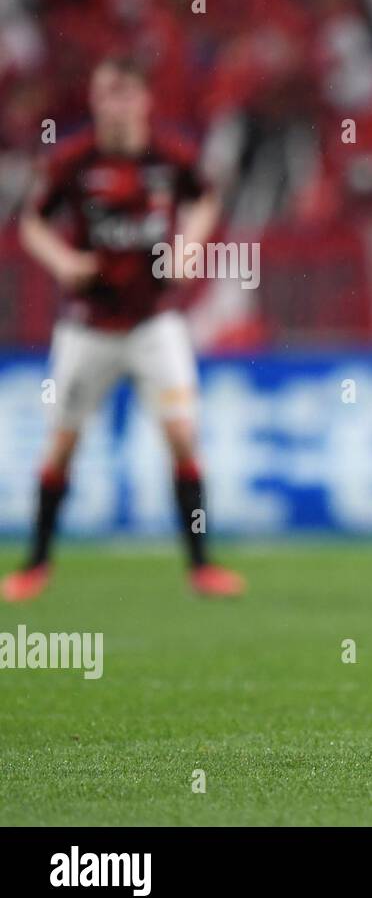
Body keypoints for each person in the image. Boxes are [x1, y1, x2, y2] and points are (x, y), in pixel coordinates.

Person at [2, 56, 244, 603]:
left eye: (125, 94)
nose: (115, 105)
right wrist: (62, 260)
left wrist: (189, 244)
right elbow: (32, 221)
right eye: (106, 94)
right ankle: (35, 565)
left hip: (154, 323)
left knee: (181, 438)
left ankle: (202, 567)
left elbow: (205, 197)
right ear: (94, 101)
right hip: (88, 326)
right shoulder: (73, 161)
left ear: (143, 100)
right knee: (62, 444)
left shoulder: (171, 156)